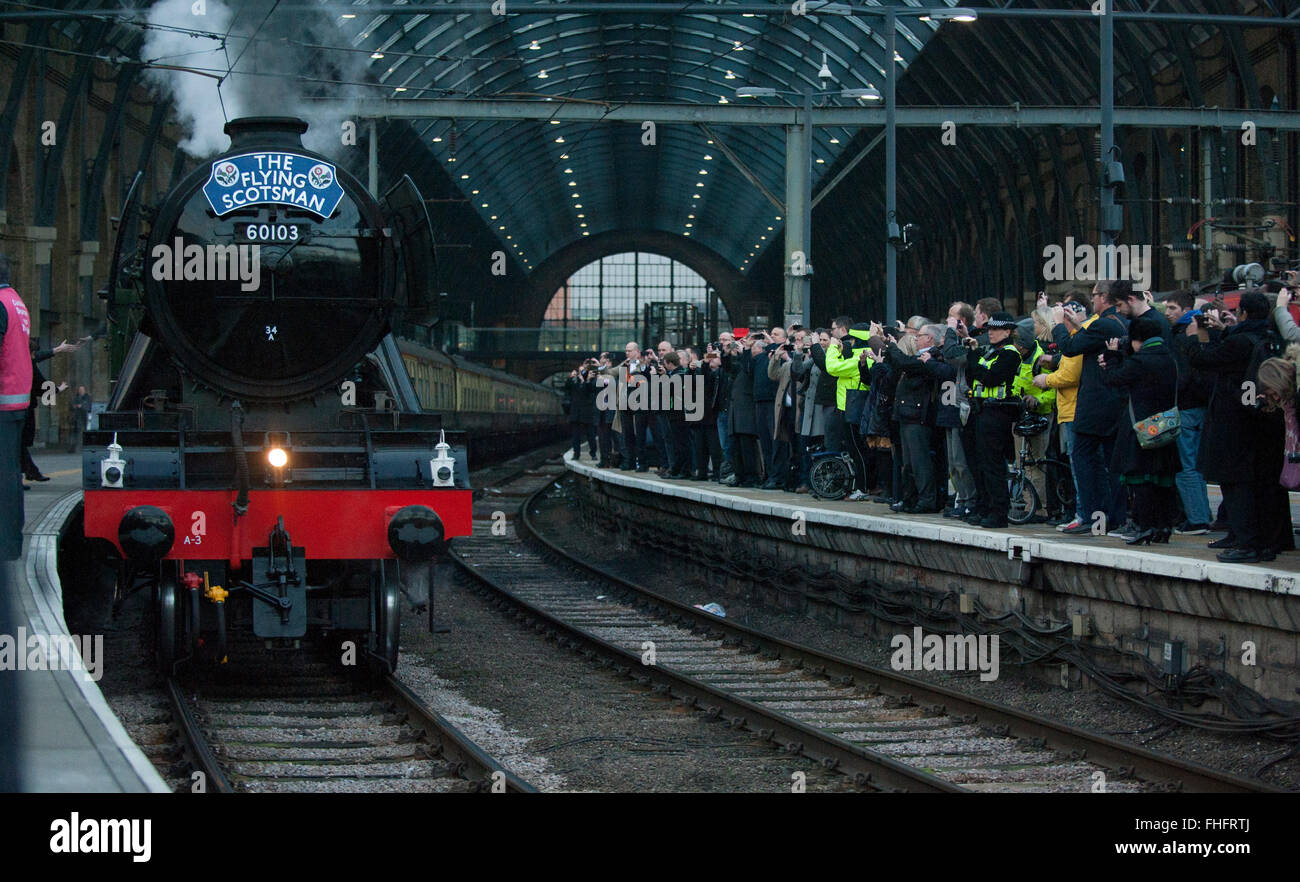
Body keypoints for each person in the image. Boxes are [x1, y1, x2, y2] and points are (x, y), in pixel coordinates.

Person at [1188, 289, 1294, 562]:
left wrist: (1196, 334)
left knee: (1238, 484)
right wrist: (1226, 329)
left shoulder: (1239, 342)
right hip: (1266, 419)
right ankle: (1270, 540)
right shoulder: (1271, 337)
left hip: (1235, 422)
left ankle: (1247, 542)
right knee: (1267, 484)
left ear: (1243, 312)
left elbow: (1203, 360)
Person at [1049, 282, 1129, 536]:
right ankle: (1112, 517)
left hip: (1095, 403)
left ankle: (1090, 515)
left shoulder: (1103, 324)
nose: (1092, 300)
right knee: (1110, 462)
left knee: (1084, 458)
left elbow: (1071, 348)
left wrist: (1059, 324)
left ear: (1104, 297)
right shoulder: (1119, 321)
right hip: (1113, 402)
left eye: (1094, 296)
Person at [1097, 316, 1180, 544]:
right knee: (1162, 479)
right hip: (1166, 426)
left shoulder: (1141, 361)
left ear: (1137, 339)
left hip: (1141, 429)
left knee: (1140, 479)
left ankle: (1144, 525)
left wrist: (1112, 358)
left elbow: (1113, 380)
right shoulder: (1170, 358)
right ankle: (1163, 527)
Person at [1034, 296, 1089, 531]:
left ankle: (1082, 514)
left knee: (1078, 466)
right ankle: (1080, 513)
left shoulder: (1076, 340)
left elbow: (1070, 375)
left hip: (1073, 410)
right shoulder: (1074, 341)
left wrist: (1046, 380)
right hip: (1067, 409)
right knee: (1075, 465)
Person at [964, 312, 1022, 528]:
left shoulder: (1010, 354)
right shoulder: (989, 353)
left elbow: (990, 377)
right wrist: (975, 359)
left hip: (997, 412)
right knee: (980, 463)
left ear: (1007, 331)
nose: (991, 333)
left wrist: (973, 358)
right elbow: (973, 376)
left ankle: (998, 513)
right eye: (989, 329)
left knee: (993, 464)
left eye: (996, 329)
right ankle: (984, 507)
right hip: (981, 410)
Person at [1162, 290, 1213, 533]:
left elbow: (1181, 376)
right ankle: (1201, 513)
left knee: (1186, 467)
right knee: (1196, 465)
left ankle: (1197, 519)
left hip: (1186, 407)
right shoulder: (1203, 329)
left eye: (1172, 308)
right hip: (1203, 406)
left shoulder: (1182, 337)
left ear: (1184, 309)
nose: (1168, 313)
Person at [1, 255, 32, 560]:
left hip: (3, 404)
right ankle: (11, 542)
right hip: (15, 402)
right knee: (10, 475)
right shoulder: (16, 301)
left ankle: (6, 543)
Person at [565, 360, 598, 461]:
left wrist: (585, 381)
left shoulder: (591, 378)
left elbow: (590, 390)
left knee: (590, 435)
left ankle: (593, 453)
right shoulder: (574, 379)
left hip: (587, 411)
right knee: (576, 436)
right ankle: (576, 453)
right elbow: (567, 389)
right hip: (576, 412)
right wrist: (570, 378)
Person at [69, 384, 92, 453]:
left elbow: (89, 407)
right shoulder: (76, 398)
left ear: (84, 391)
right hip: (77, 418)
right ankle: (75, 448)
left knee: (83, 432)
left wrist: (81, 406)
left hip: (85, 417)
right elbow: (71, 407)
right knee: (76, 433)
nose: (81, 391)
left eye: (82, 390)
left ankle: (84, 446)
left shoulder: (88, 398)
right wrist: (75, 406)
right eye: (80, 390)